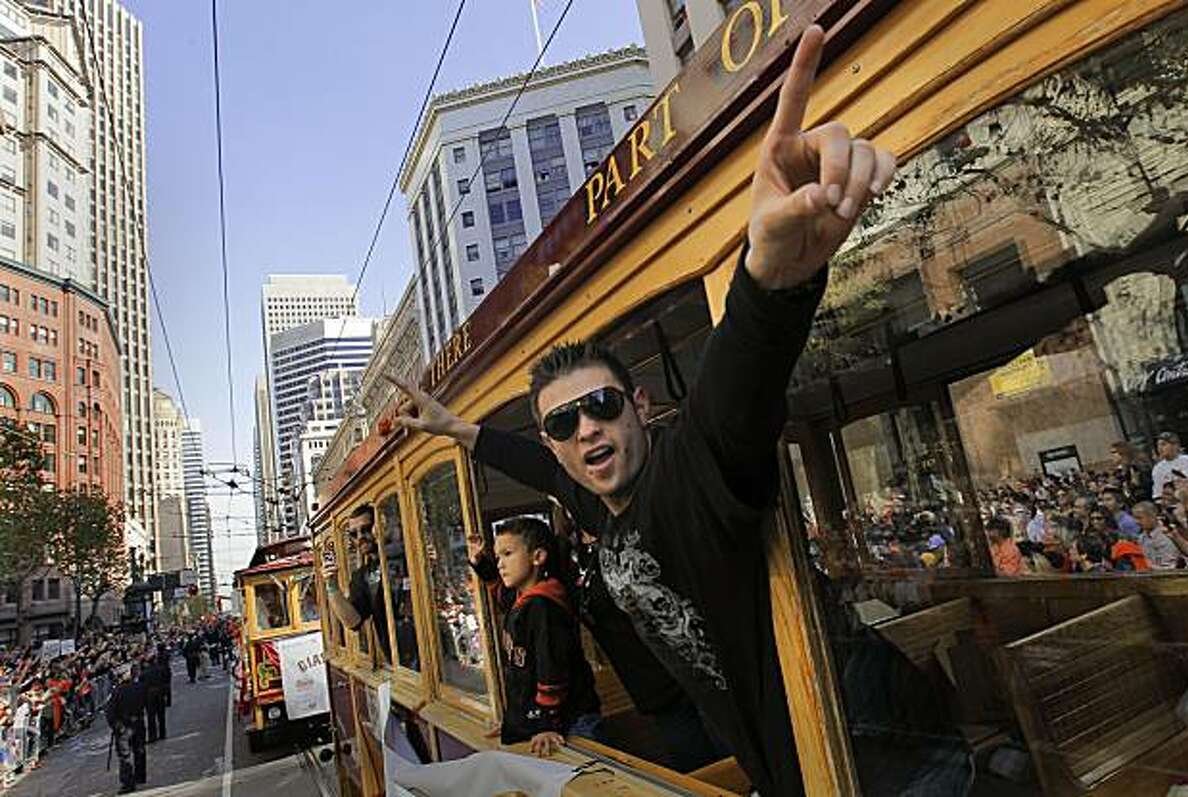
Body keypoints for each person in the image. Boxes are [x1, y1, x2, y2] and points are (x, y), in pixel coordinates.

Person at [386, 26, 898, 797]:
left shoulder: (690, 479)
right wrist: (458, 430)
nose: (584, 427)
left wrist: (770, 281)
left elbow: (733, 398)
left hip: (880, 755)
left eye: (600, 406)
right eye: (563, 422)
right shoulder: (596, 504)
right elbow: (535, 463)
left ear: (641, 407)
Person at [467, 517, 602, 757]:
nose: (500, 564)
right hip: (545, 723)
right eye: (498, 557)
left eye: (508, 554)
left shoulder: (544, 607)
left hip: (569, 724)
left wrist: (545, 725)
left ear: (538, 557)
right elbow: (500, 593)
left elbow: (551, 671)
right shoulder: (522, 599)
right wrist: (519, 723)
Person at [323, 504, 393, 665]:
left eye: (366, 529)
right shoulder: (363, 575)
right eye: (354, 534)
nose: (360, 537)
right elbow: (352, 621)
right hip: (402, 665)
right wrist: (332, 585)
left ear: (379, 526)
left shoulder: (406, 553)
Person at [105, 663, 146, 794]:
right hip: (137, 723)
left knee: (125, 756)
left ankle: (128, 783)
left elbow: (110, 713)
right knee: (139, 750)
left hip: (124, 726)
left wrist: (118, 727)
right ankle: (140, 776)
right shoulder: (140, 687)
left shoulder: (117, 691)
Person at [1151, 432, 1188, 499]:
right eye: (1158, 445)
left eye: (1163, 444)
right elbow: (1158, 492)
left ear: (1175, 445)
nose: (1160, 448)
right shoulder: (1158, 468)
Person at [141, 653, 167, 743]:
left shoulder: (144, 673)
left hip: (149, 695)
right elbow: (166, 681)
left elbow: (141, 686)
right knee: (161, 715)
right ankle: (163, 733)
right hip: (160, 692)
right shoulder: (161, 669)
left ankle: (153, 736)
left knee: (151, 716)